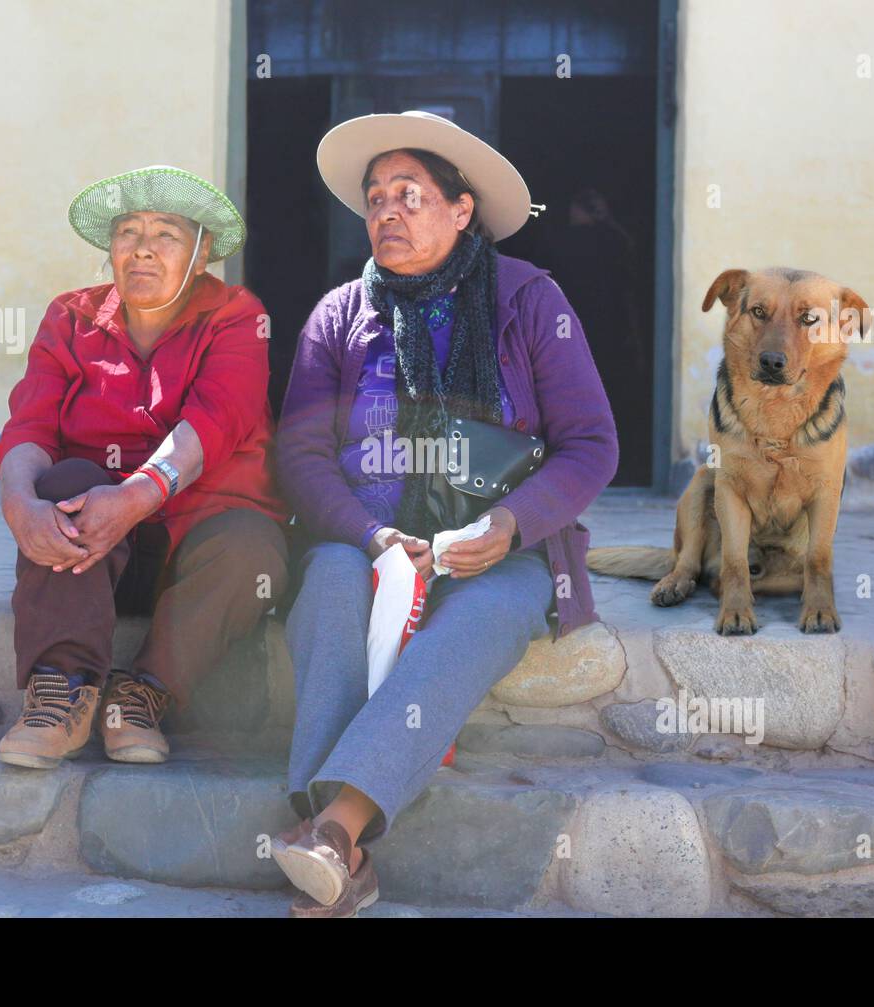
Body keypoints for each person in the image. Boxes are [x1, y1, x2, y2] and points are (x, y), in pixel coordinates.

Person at [270, 112, 618, 917]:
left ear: (462, 209)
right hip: (364, 542)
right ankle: (335, 848)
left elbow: (590, 444)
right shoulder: (337, 317)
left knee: (487, 615)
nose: (387, 211)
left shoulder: (530, 299)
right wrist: (371, 535)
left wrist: (507, 527)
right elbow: (300, 455)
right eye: (375, 198)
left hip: (502, 547)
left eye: (410, 194)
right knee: (325, 580)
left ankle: (334, 831)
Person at [0, 165, 287, 769]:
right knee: (64, 485)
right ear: (110, 249)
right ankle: (61, 691)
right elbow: (31, 426)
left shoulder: (236, 315)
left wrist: (132, 498)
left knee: (253, 548)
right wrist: (19, 503)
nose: (143, 250)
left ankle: (142, 694)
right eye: (128, 232)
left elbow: (216, 420)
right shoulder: (70, 318)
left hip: (193, 543)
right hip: (96, 547)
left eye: (167, 235)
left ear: (202, 254)